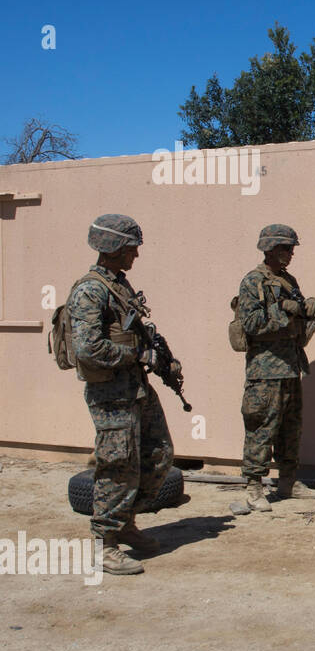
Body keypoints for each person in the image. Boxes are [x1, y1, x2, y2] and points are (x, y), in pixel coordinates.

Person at [66, 214, 176, 575]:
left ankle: (125, 522)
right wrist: (137, 355)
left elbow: (134, 334)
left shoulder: (119, 286)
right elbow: (88, 348)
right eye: (131, 248)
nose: (136, 255)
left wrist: (159, 357)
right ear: (113, 248)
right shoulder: (90, 290)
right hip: (111, 393)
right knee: (117, 466)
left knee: (159, 453)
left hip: (135, 388)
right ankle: (104, 542)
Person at [230, 224, 315, 515]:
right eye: (285, 248)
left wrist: (310, 309)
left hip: (290, 366)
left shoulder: (288, 280)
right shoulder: (253, 282)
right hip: (264, 370)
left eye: (292, 248)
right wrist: (284, 309)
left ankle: (287, 481)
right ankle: (254, 487)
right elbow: (252, 324)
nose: (291, 253)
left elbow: (297, 316)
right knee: (261, 427)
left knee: (290, 428)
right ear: (270, 249)